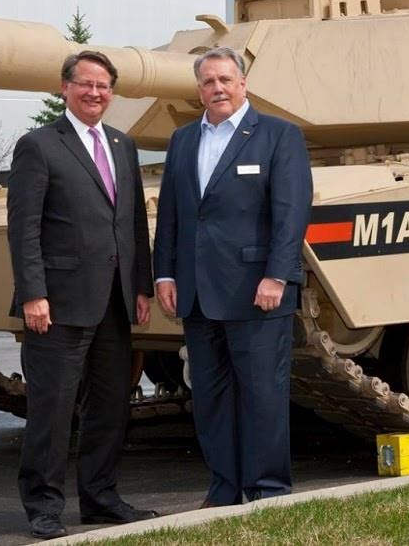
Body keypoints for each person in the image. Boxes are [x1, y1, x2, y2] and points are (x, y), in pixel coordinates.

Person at [7, 49, 157, 540]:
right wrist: (33, 293)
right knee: (52, 409)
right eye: (86, 84)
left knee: (111, 405)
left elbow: (132, 221)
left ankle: (101, 498)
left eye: (104, 85)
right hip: (58, 303)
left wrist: (141, 286)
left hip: (115, 301)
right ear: (65, 88)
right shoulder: (40, 145)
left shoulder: (122, 144)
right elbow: (24, 227)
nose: (95, 93)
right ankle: (44, 508)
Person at [153, 46, 313, 507]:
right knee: (211, 397)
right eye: (208, 82)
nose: (217, 88)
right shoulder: (184, 140)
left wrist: (277, 277)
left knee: (262, 394)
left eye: (225, 79)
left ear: (243, 84)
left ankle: (267, 491)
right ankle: (224, 488)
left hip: (256, 290)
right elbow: (172, 215)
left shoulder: (278, 136)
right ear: (199, 89)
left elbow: (291, 213)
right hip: (198, 294)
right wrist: (164, 272)